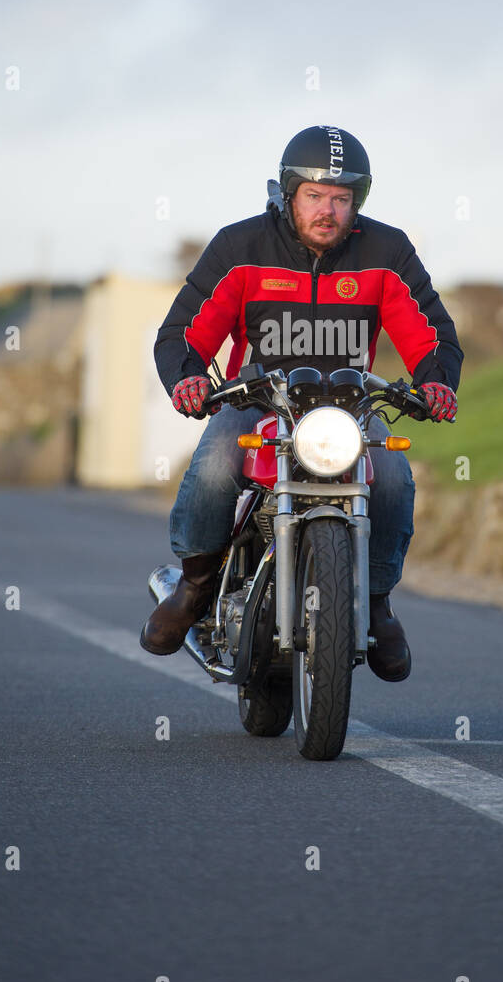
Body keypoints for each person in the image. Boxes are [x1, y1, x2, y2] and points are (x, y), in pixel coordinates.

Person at [140, 125, 462, 681]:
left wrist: (436, 382)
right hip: (258, 402)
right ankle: (194, 588)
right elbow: (183, 333)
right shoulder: (240, 246)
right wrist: (189, 378)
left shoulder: (387, 251)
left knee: (394, 473)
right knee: (215, 463)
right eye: (314, 195)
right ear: (287, 193)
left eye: (341, 198)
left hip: (350, 409)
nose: (328, 211)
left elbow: (432, 331)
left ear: (357, 201)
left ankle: (377, 601)